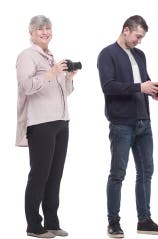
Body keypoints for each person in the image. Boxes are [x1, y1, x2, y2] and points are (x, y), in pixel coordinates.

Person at [97, 15, 158, 238]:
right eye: (137, 36)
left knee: (146, 172)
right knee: (118, 174)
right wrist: (140, 87)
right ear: (126, 30)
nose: (139, 41)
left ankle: (144, 220)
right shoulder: (107, 54)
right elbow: (108, 86)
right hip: (121, 123)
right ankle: (113, 222)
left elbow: (143, 82)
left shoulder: (140, 54)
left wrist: (154, 91)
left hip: (143, 122)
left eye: (142, 37)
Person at [17, 14, 76, 239]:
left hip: (61, 122)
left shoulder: (52, 58)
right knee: (39, 174)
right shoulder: (27, 56)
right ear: (31, 33)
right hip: (40, 123)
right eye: (40, 29)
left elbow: (65, 92)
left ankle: (52, 222)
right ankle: (33, 225)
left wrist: (69, 77)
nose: (45, 32)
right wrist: (51, 74)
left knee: (55, 175)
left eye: (48, 28)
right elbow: (26, 86)